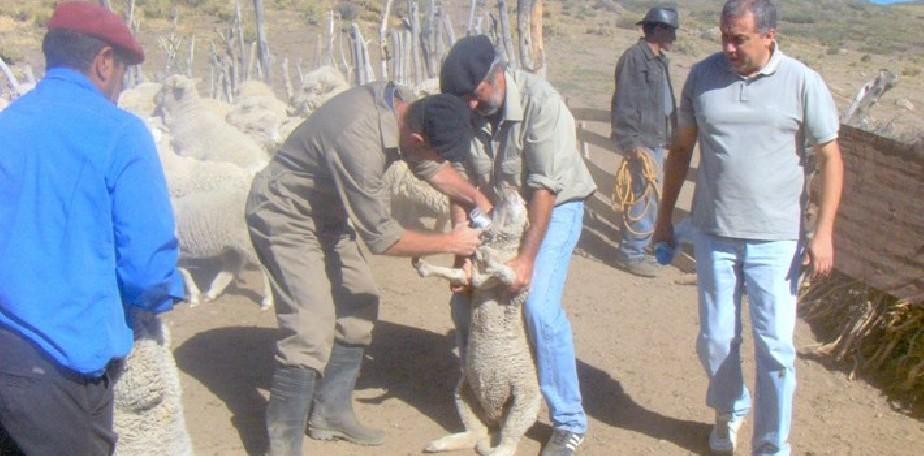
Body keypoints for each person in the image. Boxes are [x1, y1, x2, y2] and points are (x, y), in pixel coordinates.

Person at [246, 82, 492, 456]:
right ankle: (282, 448)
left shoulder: (406, 112)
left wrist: (473, 196)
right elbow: (382, 238)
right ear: (416, 137)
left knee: (360, 302)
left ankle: (330, 413)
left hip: (327, 215)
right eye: (433, 149)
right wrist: (451, 243)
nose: (435, 158)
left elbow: (428, 164)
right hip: (284, 215)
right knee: (310, 327)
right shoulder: (359, 138)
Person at [653, 1, 843, 454]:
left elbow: (830, 157)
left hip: (777, 239)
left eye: (739, 39)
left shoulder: (802, 82)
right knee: (716, 341)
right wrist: (663, 219)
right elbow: (680, 150)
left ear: (769, 36)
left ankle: (771, 445)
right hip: (714, 233)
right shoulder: (702, 76)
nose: (729, 47)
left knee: (775, 348)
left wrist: (823, 233)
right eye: (724, 36)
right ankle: (730, 408)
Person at [0, 2, 184, 455]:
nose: (120, 88)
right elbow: (147, 270)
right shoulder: (120, 134)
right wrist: (166, 293)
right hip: (59, 369)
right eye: (122, 73)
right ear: (104, 62)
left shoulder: (7, 126)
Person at [440, 35, 598, 456]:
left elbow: (544, 188)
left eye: (476, 95)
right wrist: (461, 251)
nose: (472, 105)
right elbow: (458, 181)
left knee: (537, 307)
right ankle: (486, 405)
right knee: (463, 301)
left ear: (497, 75)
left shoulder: (541, 103)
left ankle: (568, 420)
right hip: (501, 209)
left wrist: (525, 260)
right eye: (465, 99)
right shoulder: (466, 107)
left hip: (555, 205)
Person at [610, 7, 679, 277]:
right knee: (642, 198)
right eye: (671, 31)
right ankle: (631, 254)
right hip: (642, 141)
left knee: (649, 198)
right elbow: (624, 102)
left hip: (655, 138)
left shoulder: (657, 60)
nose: (674, 37)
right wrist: (631, 143)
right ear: (658, 30)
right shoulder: (635, 59)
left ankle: (637, 249)